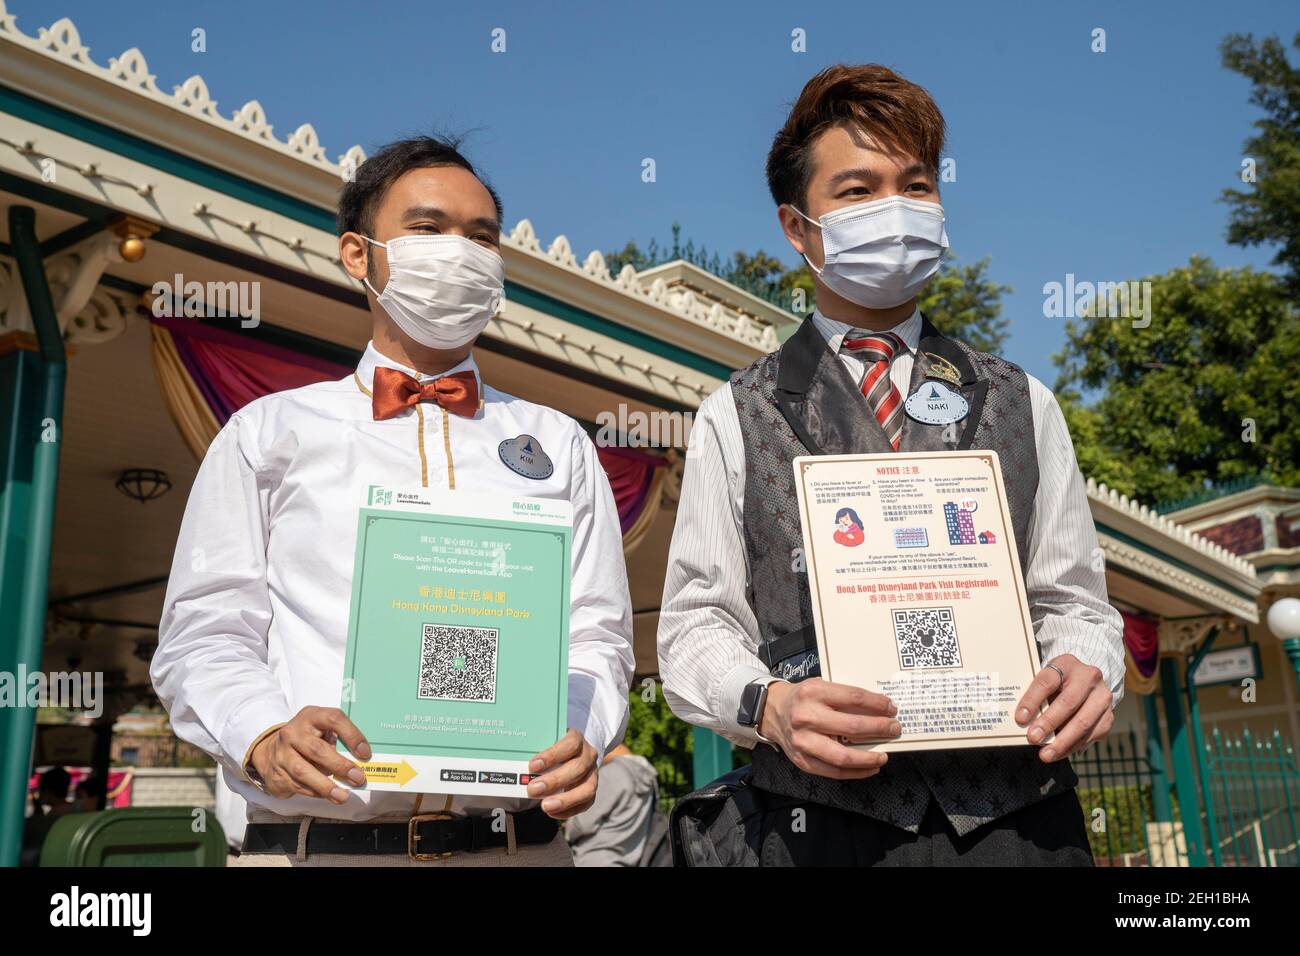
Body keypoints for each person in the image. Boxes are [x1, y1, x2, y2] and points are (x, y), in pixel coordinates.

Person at [657, 64, 1124, 866]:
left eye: (916, 185)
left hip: (1018, 824)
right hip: (818, 828)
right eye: (857, 190)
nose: (895, 210)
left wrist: (1091, 667)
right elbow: (697, 622)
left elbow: (1074, 601)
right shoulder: (736, 413)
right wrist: (768, 706)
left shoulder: (1023, 400)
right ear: (797, 228)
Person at [152, 135, 634, 866]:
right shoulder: (268, 432)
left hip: (519, 849)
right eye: (427, 229)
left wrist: (581, 734)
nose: (460, 252)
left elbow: (596, 634)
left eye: (482, 237)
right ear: (358, 254)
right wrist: (261, 735)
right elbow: (205, 634)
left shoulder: (558, 443)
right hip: (318, 848)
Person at [564, 744, 666, 866]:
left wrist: (568, 826)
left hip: (593, 860)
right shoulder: (648, 778)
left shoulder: (612, 773)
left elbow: (583, 823)